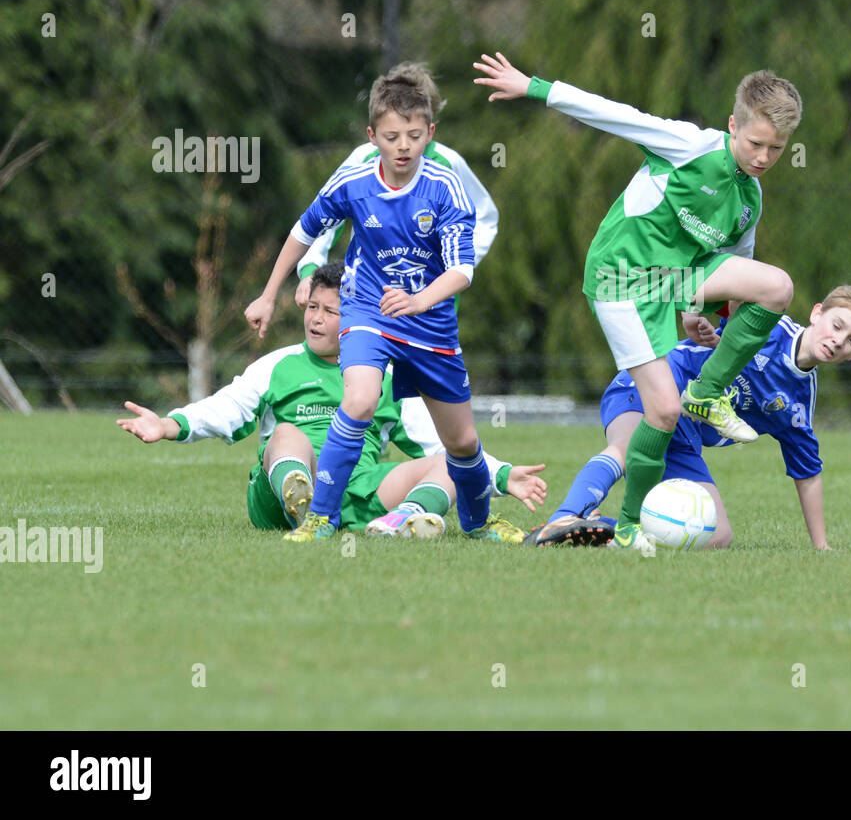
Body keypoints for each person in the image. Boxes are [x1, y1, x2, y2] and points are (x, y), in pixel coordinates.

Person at [474, 52, 802, 550]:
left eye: (776, 149)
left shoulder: (749, 200)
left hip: (670, 283)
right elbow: (612, 112)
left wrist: (700, 318)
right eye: (756, 143)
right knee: (663, 413)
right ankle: (627, 525)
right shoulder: (691, 146)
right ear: (733, 124)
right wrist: (533, 86)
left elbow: (735, 274)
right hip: (619, 278)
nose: (762, 157)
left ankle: (706, 397)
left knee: (776, 286)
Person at [245, 65, 516, 542]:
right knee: (362, 398)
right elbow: (304, 231)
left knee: (462, 440)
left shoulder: (445, 185)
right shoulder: (354, 180)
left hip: (429, 320)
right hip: (367, 305)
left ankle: (479, 522)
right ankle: (321, 519)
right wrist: (268, 295)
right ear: (373, 137)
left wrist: (418, 301)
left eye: (414, 135)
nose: (403, 146)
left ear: (430, 133)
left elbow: (462, 271)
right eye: (392, 136)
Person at [119, 263, 545, 537]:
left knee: (447, 464)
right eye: (313, 308)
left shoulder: (390, 376)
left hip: (357, 490)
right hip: (277, 500)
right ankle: (304, 508)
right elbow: (227, 407)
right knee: (286, 434)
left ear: (358, 317)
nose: (316, 319)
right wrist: (169, 425)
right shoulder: (280, 365)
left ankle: (406, 520)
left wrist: (503, 475)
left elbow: (443, 441)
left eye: (331, 311)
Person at [527, 285, 851, 550]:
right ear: (816, 313)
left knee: (718, 538)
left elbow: (808, 474)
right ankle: (564, 516)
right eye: (837, 325)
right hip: (656, 385)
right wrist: (694, 314)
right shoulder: (768, 325)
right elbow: (723, 291)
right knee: (625, 450)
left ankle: (600, 531)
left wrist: (821, 547)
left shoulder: (797, 405)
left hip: (685, 437)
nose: (840, 340)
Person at [293, 63, 499, 309]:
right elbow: (326, 215)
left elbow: (485, 216)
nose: (403, 140)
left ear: (430, 122)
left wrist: (457, 267)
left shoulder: (449, 164)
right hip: (370, 291)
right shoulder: (363, 159)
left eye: (414, 125)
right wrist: (310, 266)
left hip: (432, 298)